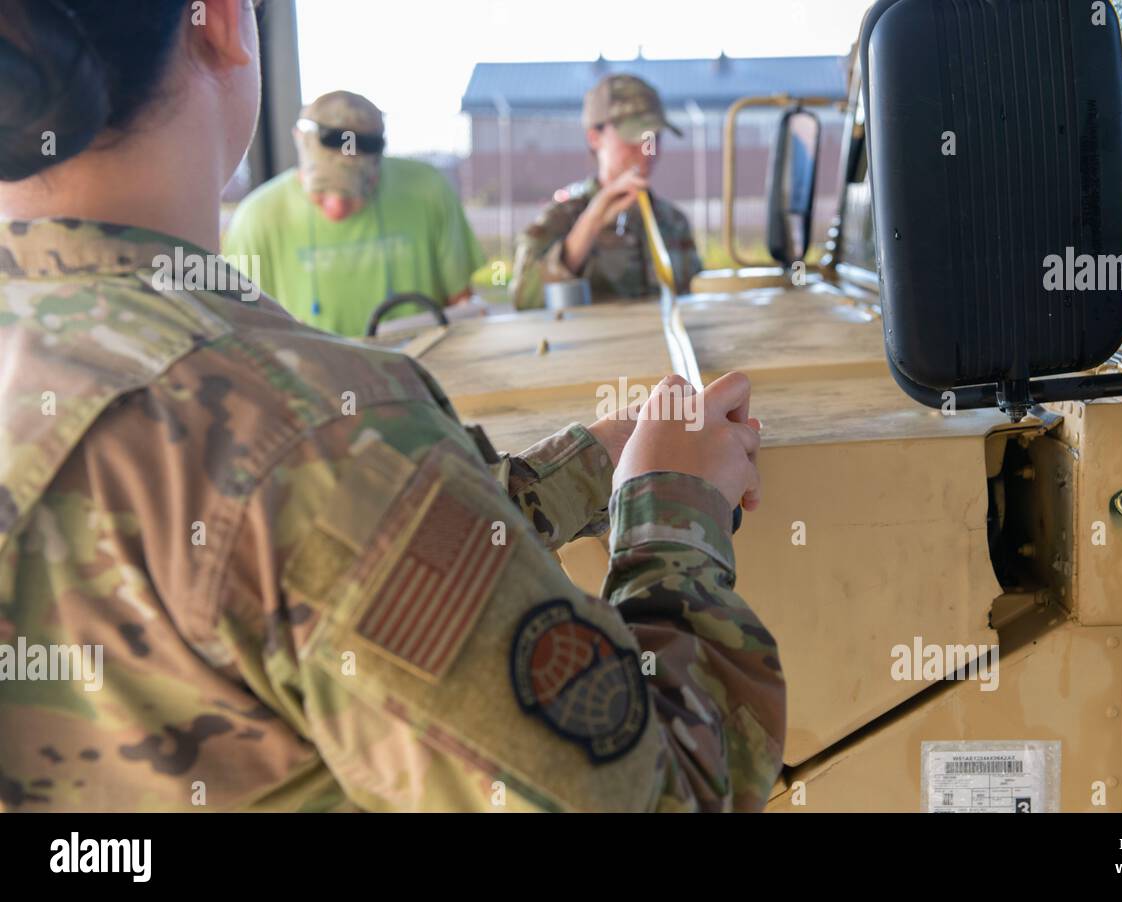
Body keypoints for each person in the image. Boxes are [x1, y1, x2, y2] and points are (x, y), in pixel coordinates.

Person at [0, 0, 781, 812]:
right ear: (223, 20)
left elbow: (319, 570)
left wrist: (586, 467)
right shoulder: (309, 434)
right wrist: (670, 518)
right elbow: (664, 797)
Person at [222, 90, 486, 337]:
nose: (336, 208)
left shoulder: (428, 191)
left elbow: (461, 303)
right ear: (298, 143)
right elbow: (242, 328)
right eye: (321, 191)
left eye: (352, 192)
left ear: (377, 169)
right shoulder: (256, 218)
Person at [510, 74, 703, 309]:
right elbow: (523, 299)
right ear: (594, 137)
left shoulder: (672, 222)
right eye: (633, 137)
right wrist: (588, 226)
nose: (646, 151)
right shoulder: (561, 219)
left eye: (653, 138)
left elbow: (695, 299)